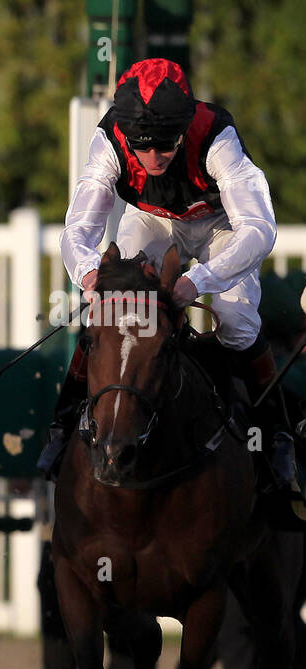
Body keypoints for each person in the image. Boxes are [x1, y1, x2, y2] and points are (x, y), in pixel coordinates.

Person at [43, 57, 289, 492]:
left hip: (222, 225)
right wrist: (90, 276)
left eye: (166, 146)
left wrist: (198, 282)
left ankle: (277, 433)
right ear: (125, 135)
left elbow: (259, 230)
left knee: (235, 319)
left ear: (183, 130)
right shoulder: (108, 140)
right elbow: (78, 230)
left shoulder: (217, 137)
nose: (153, 158)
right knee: (114, 311)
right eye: (142, 147)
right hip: (153, 220)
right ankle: (63, 424)